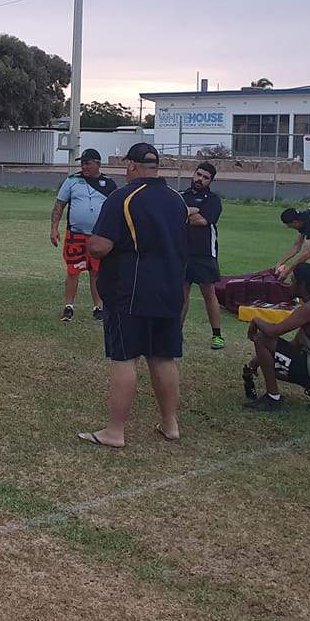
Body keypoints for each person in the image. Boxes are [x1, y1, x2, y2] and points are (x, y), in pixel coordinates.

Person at [79, 143, 190, 449]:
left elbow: (100, 246)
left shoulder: (122, 197)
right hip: (169, 291)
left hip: (131, 292)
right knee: (163, 357)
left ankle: (115, 431)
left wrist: (91, 242)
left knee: (124, 358)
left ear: (131, 165)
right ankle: (170, 424)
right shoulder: (177, 200)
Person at [241, 262, 310, 411]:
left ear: (302, 284)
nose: (290, 285)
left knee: (261, 338)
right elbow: (295, 345)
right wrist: (257, 361)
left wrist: (256, 320)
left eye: (293, 281)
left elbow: (272, 332)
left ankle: (273, 397)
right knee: (269, 353)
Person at [50, 147, 116, 322]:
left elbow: (116, 211)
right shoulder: (72, 181)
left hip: (98, 236)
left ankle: (98, 307)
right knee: (73, 270)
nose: (84, 167)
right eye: (82, 164)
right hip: (76, 234)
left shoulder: (109, 184)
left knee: (96, 272)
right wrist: (54, 228)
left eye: (87, 163)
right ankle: (69, 306)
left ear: (97, 164)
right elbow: (59, 206)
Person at [181, 161, 225, 349]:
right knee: (182, 293)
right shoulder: (182, 196)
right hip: (182, 252)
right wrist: (193, 211)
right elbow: (175, 216)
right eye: (198, 174)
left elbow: (201, 221)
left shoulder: (213, 199)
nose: (200, 179)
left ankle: (217, 335)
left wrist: (189, 213)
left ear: (211, 181)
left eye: (205, 177)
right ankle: (176, 332)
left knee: (209, 293)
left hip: (205, 253)